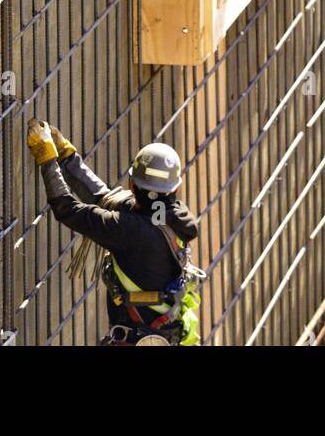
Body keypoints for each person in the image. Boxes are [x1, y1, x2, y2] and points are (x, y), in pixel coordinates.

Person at [26, 121, 200, 346]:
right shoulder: (171, 215)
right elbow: (105, 199)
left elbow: (67, 210)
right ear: (174, 189)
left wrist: (47, 159)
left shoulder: (131, 229)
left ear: (132, 185)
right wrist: (67, 158)